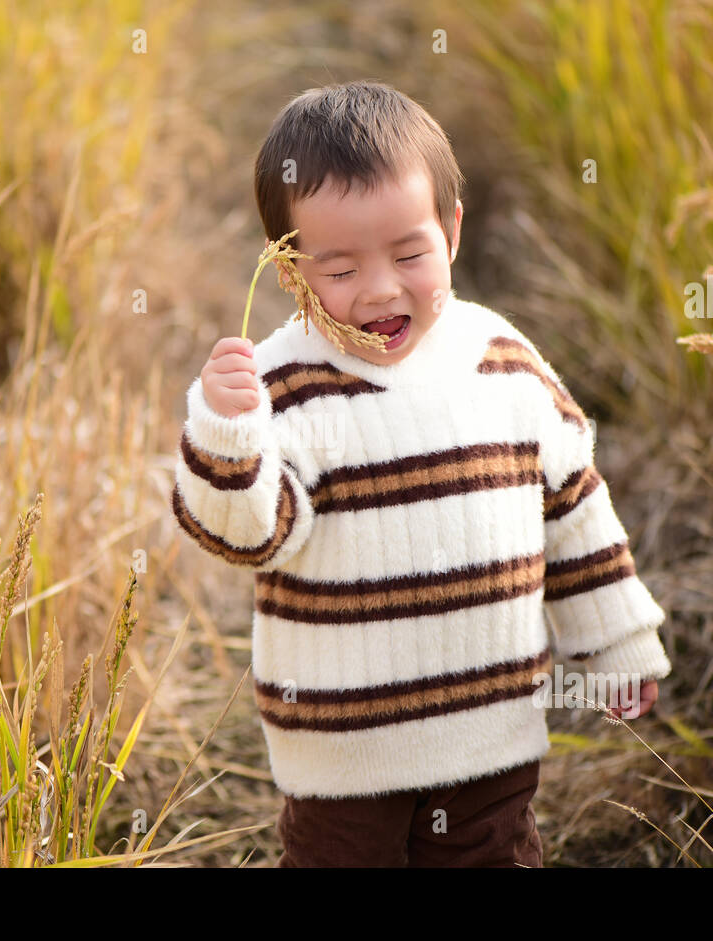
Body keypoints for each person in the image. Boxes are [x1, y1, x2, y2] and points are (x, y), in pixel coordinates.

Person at [171, 79, 670, 867]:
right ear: (288, 269)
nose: (379, 288)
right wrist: (227, 432)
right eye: (338, 269)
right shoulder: (282, 387)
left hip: (491, 739)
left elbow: (573, 509)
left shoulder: (504, 362)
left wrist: (615, 643)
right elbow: (250, 535)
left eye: (409, 253)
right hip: (343, 756)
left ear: (453, 231)